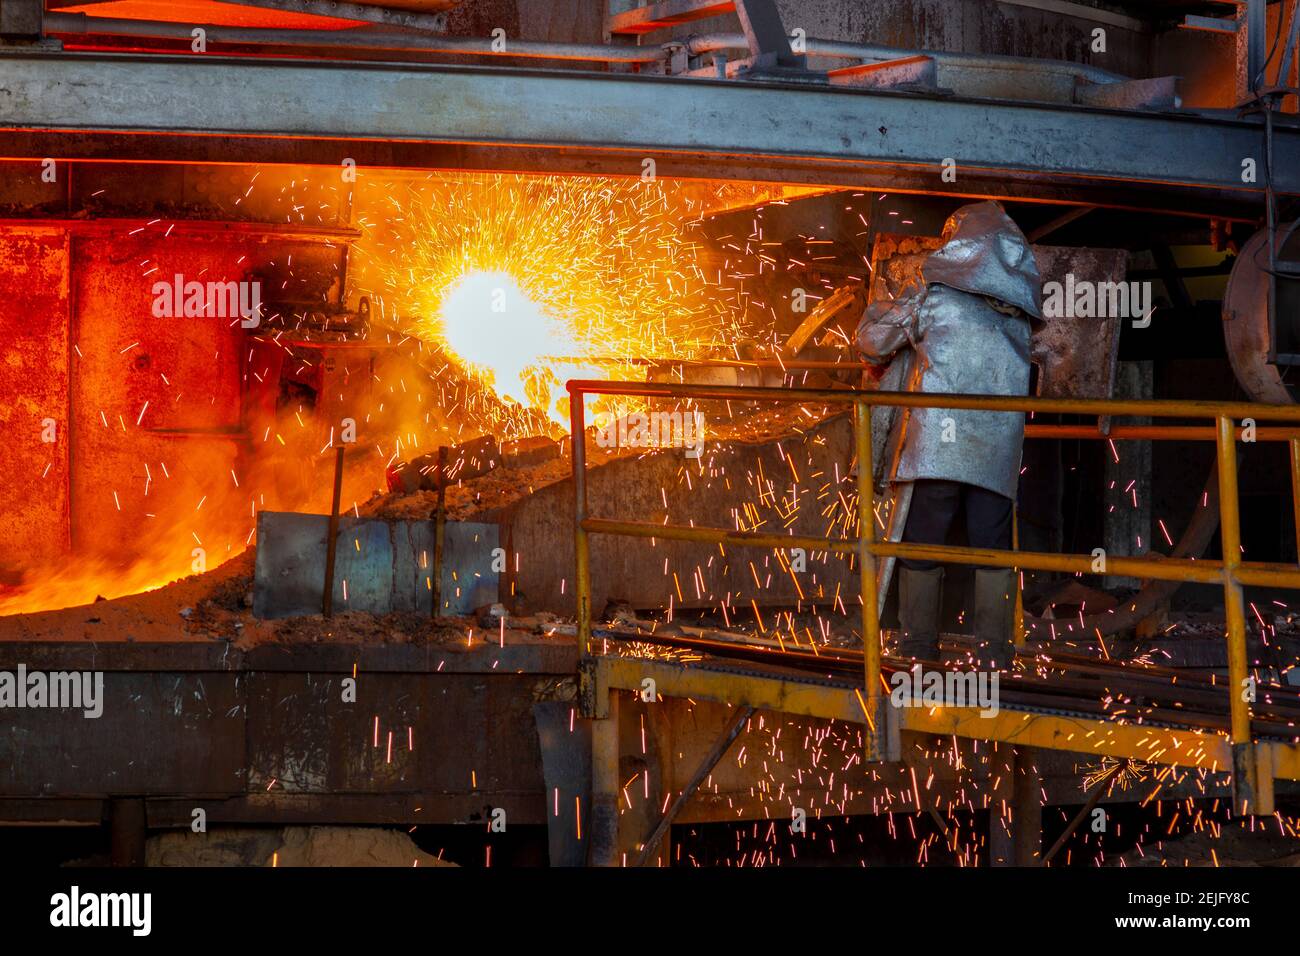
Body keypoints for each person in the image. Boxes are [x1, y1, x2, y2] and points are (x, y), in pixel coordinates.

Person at [855, 201, 1043, 668]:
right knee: (992, 545)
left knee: (923, 538)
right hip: (995, 451)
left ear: (961, 246)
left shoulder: (933, 298)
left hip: (936, 446)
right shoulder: (1019, 315)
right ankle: (995, 654)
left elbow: (871, 342)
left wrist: (880, 306)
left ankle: (918, 646)